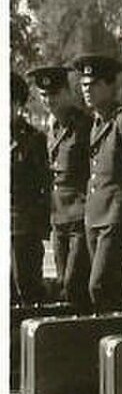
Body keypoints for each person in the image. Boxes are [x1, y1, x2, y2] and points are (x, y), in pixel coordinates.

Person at [72, 53, 122, 313]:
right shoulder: (96, 123)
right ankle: (119, 344)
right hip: (95, 216)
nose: (86, 91)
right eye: (84, 85)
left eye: (92, 85)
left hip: (117, 215)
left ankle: (118, 339)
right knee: (111, 286)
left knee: (100, 284)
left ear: (109, 86)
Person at [30, 65, 93, 310]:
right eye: (44, 95)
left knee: (75, 282)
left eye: (54, 94)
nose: (49, 100)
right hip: (58, 218)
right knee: (63, 284)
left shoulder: (85, 125)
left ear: (67, 92)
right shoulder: (51, 128)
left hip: (79, 215)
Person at [10, 72, 51, 305]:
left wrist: (38, 226)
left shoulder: (34, 140)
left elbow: (44, 186)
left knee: (25, 286)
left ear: (17, 104)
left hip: (23, 230)